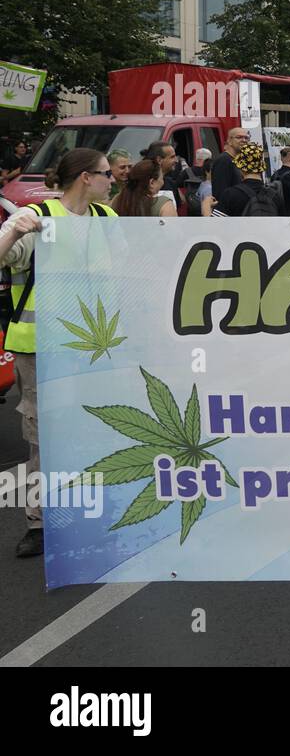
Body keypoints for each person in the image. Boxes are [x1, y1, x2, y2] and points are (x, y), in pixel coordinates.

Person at [0, 148, 117, 557]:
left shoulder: (107, 219)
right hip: (40, 347)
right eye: (106, 174)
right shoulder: (39, 218)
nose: (111, 180)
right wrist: (14, 231)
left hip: (92, 345)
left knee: (90, 430)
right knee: (44, 440)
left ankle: (88, 514)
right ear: (85, 177)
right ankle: (39, 522)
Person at [211, 143, 286, 217]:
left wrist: (206, 209)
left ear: (240, 167)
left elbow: (215, 226)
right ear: (262, 167)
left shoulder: (230, 195)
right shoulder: (275, 196)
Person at [110, 159, 177, 217]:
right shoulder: (164, 204)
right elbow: (173, 231)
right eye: (162, 178)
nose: (163, 182)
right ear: (152, 183)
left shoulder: (118, 200)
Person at [210, 127, 251, 203]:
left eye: (246, 138)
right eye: (239, 137)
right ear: (229, 141)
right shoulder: (224, 161)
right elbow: (220, 193)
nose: (244, 140)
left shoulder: (240, 160)